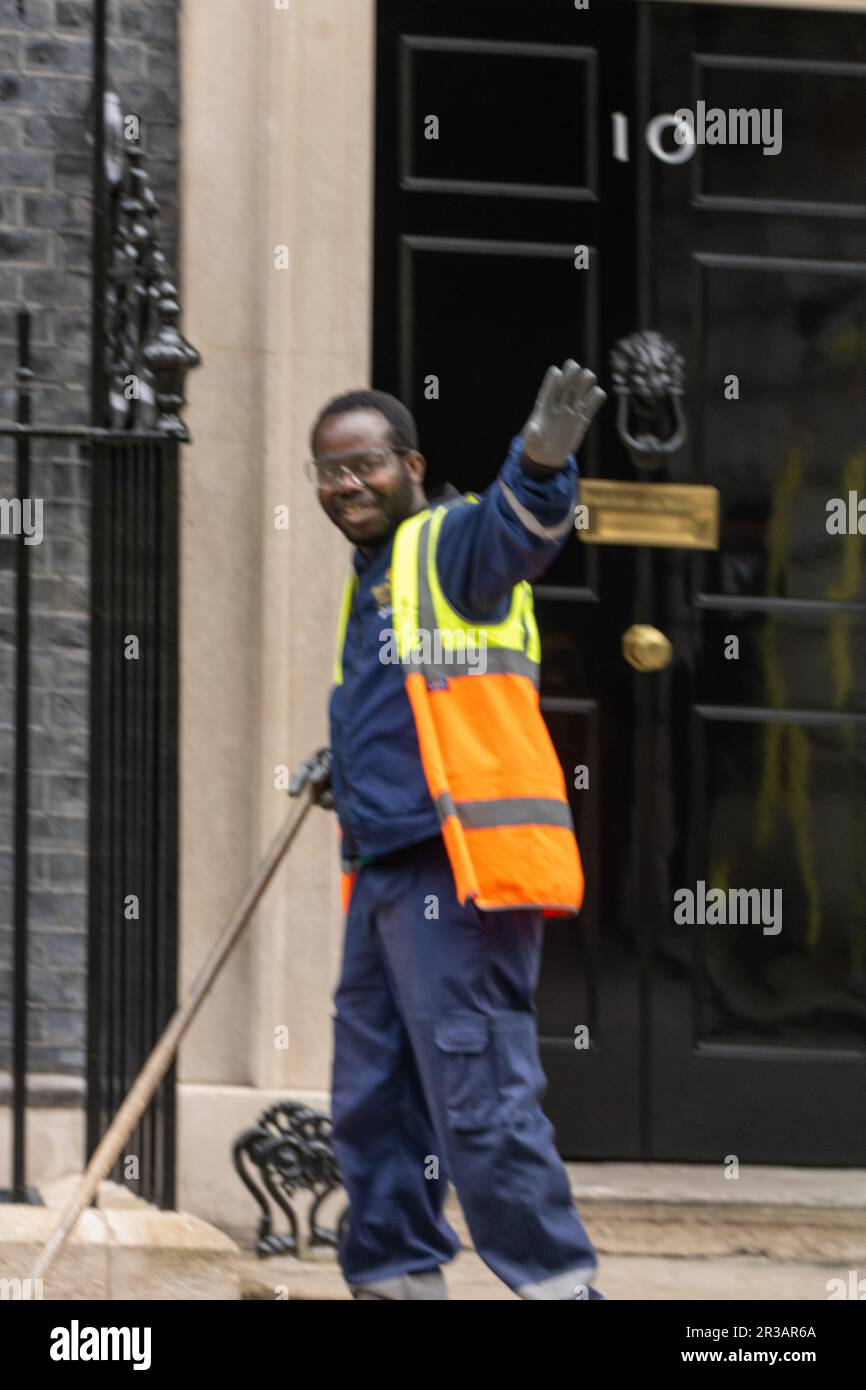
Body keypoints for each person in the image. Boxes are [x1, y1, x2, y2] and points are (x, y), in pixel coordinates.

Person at [302, 362, 606, 1300]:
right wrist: (340, 764)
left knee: (480, 1107)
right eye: (328, 471)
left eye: (365, 465)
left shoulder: (445, 544)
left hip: (459, 877)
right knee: (371, 1101)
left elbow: (516, 535)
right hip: (383, 872)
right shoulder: (372, 581)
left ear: (412, 465)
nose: (347, 484)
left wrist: (541, 461)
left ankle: (559, 1289)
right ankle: (393, 1278)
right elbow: (410, 704)